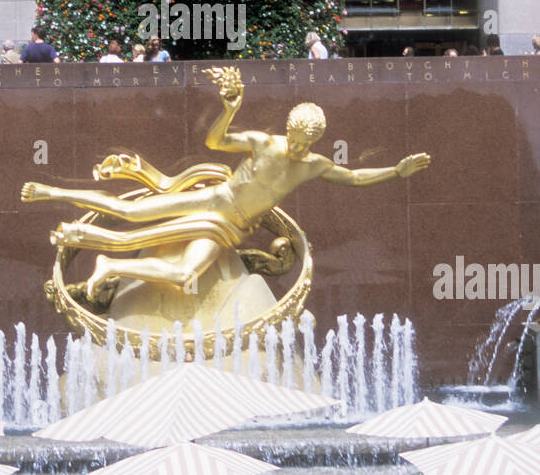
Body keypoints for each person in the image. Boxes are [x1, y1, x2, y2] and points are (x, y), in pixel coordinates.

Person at [22, 66, 430, 301]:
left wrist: (396, 171)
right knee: (128, 210)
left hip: (230, 227)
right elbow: (215, 142)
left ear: (317, 141)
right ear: (288, 129)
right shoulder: (265, 143)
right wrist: (229, 109)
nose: (300, 147)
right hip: (213, 198)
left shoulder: (315, 164)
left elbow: (355, 177)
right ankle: (51, 192)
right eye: (297, 138)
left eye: (309, 142)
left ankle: (110, 265)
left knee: (184, 275)